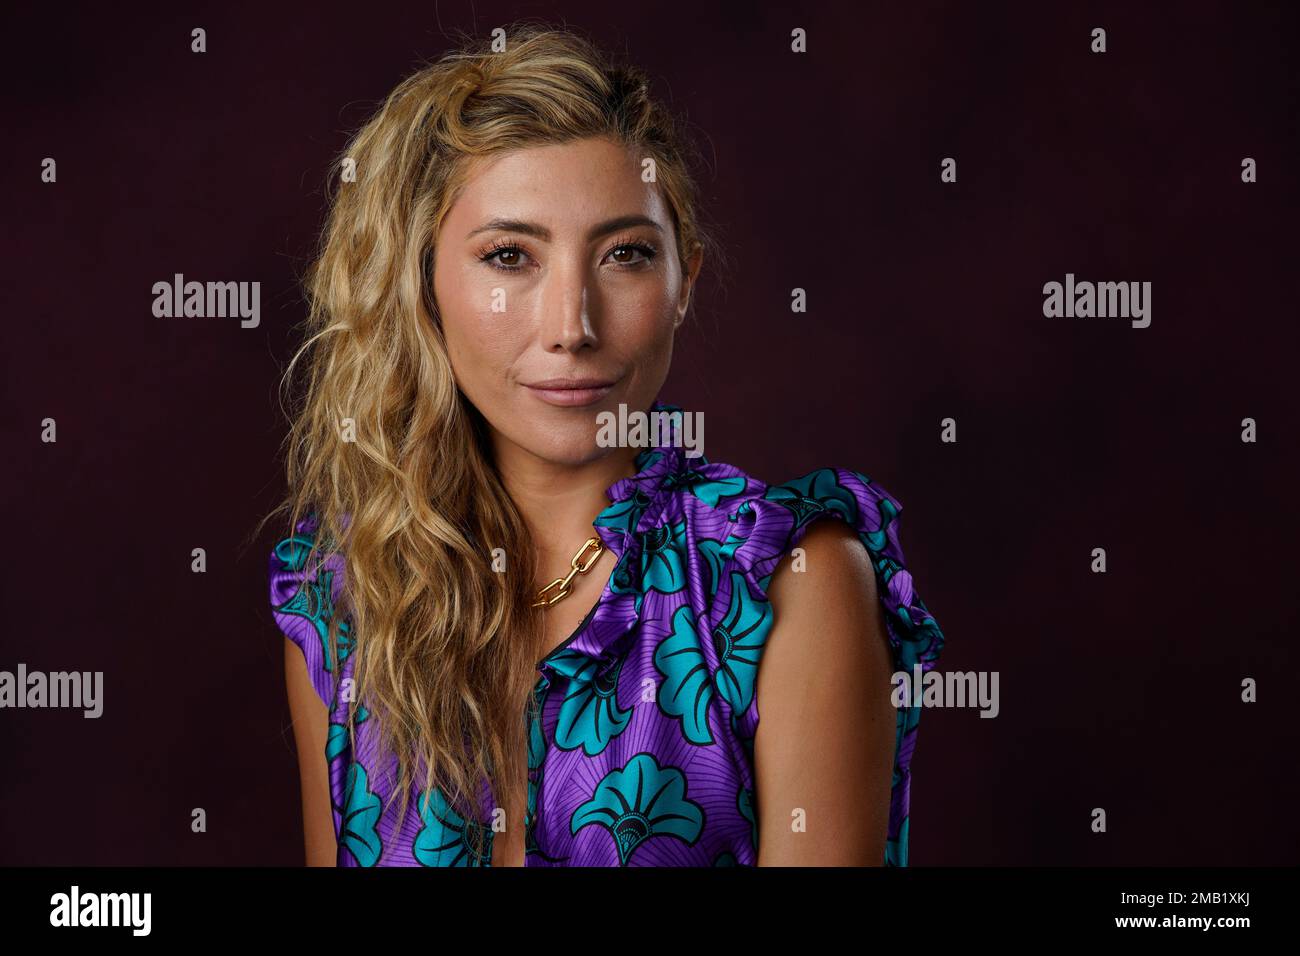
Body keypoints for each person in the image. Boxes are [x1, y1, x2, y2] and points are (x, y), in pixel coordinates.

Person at [264, 22, 946, 867]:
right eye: (509, 256)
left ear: (683, 281)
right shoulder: (345, 605)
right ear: (423, 286)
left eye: (624, 255)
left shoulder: (781, 584)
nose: (572, 327)